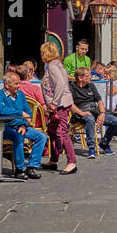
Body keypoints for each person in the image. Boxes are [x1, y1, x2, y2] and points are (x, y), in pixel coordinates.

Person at [0, 69, 46, 178]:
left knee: (42, 136)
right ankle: (20, 169)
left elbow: (28, 113)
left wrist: (23, 125)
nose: (19, 86)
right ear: (7, 85)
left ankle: (31, 167)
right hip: (5, 128)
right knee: (18, 136)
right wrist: (20, 113)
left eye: (19, 83)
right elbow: (2, 111)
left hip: (20, 126)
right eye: (16, 84)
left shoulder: (20, 95)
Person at [40, 43, 78, 174]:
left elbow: (60, 84)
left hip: (60, 104)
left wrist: (54, 103)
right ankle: (53, 160)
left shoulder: (52, 66)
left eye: (42, 52)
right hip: (60, 103)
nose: (41, 55)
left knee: (62, 132)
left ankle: (71, 162)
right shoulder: (55, 64)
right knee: (53, 132)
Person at [70, 67, 104, 158]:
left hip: (95, 111)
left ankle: (104, 144)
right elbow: (70, 104)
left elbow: (99, 101)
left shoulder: (91, 85)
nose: (91, 77)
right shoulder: (72, 87)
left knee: (116, 121)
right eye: (88, 76)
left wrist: (102, 113)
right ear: (80, 78)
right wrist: (81, 113)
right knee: (90, 118)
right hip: (80, 113)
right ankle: (91, 148)